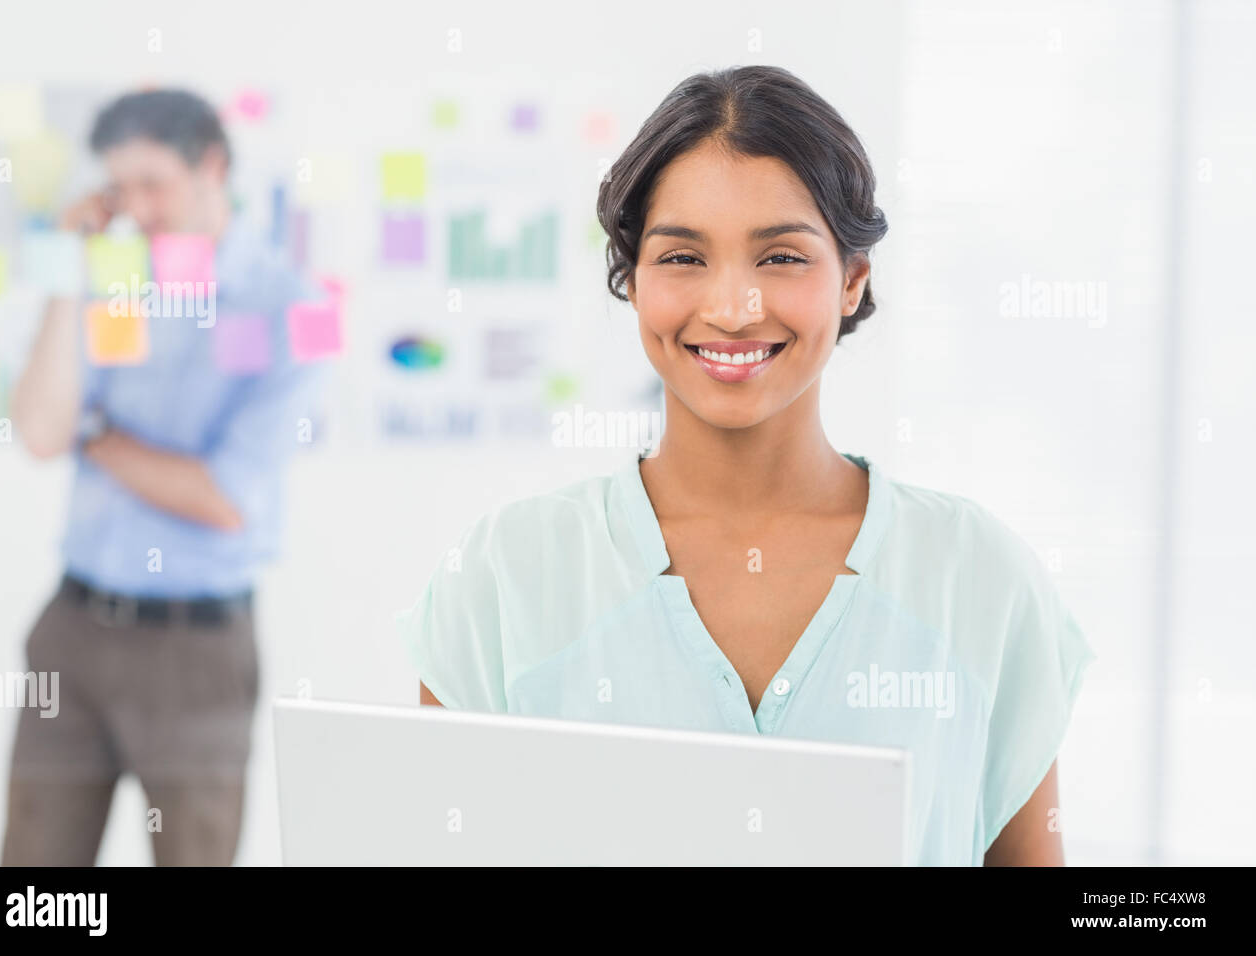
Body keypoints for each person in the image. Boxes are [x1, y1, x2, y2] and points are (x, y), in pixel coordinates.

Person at [396, 65, 1096, 866]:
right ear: (632, 280)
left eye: (782, 258)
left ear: (852, 279)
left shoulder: (977, 577)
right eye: (683, 257)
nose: (732, 308)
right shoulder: (502, 577)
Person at [1, 88, 329, 866]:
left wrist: (100, 438)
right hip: (73, 633)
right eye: (121, 190)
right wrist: (66, 275)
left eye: (154, 185)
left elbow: (223, 498)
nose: (138, 209)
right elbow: (43, 432)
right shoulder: (113, 285)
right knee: (31, 891)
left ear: (211, 165)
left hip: (198, 652)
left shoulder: (293, 307)